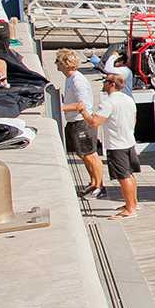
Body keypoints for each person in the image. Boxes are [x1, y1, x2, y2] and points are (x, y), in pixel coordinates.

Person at [83, 73, 139, 219]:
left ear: (112, 84)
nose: (104, 83)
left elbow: (94, 122)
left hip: (116, 145)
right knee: (130, 174)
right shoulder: (128, 99)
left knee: (123, 177)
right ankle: (133, 203)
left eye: (105, 81)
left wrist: (83, 111)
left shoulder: (108, 102)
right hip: (129, 141)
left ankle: (130, 209)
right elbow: (134, 119)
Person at [55, 48, 105, 198]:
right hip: (74, 121)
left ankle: (99, 186)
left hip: (82, 122)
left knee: (90, 155)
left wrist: (58, 107)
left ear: (66, 63)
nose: (56, 64)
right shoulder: (70, 78)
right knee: (84, 155)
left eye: (58, 61)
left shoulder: (78, 81)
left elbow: (81, 105)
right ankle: (93, 182)